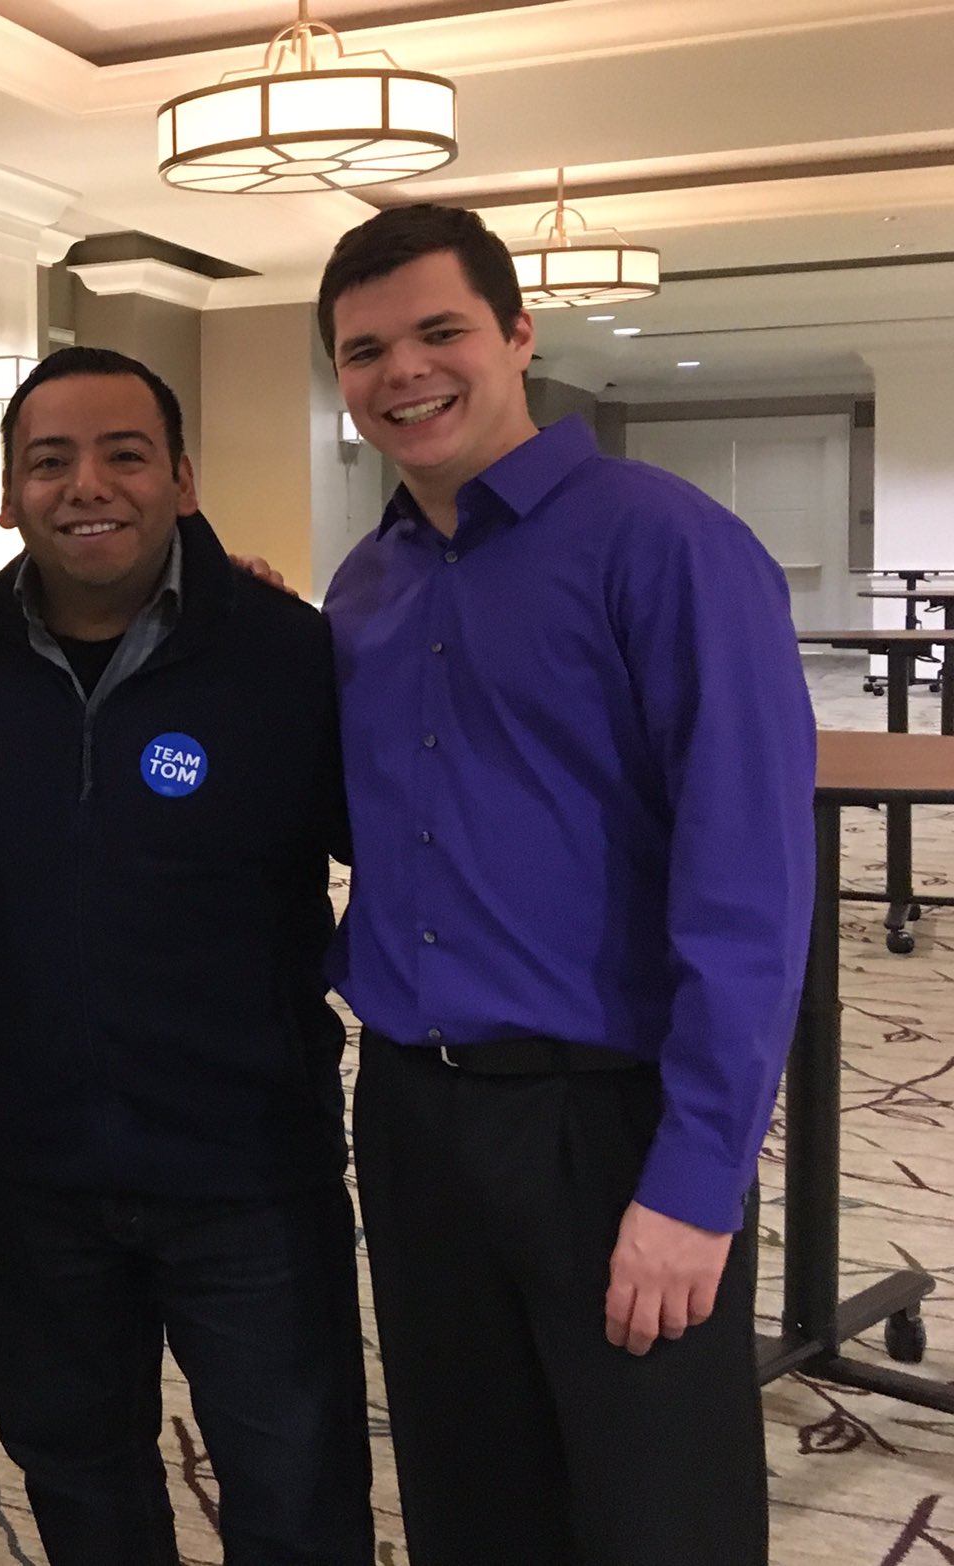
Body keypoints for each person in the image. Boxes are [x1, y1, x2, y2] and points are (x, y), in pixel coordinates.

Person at [316, 203, 815, 1564]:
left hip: (607, 1123)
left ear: (518, 334)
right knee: (470, 1504)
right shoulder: (363, 587)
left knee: (658, 1520)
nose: (403, 371)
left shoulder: (667, 544)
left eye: (439, 331)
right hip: (414, 1114)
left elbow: (751, 890)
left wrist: (697, 1180)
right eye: (363, 351)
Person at [0, 347, 373, 1565]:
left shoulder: (284, 652)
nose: (86, 485)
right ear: (8, 496)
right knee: (74, 1465)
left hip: (246, 1163)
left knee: (294, 1485)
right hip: (32, 1155)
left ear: (182, 480)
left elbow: (393, 853)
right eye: (48, 461)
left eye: (124, 455)